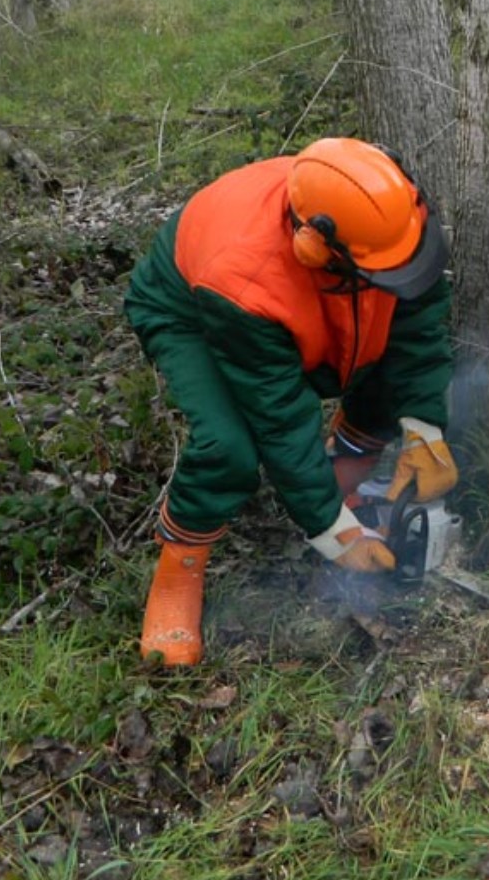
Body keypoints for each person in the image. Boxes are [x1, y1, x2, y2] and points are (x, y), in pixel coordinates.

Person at [124, 138, 457, 666]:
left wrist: (424, 428)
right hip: (193, 309)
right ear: (315, 247)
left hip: (313, 290)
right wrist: (332, 532)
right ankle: (179, 570)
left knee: (383, 380)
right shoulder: (243, 277)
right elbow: (279, 418)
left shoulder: (387, 220)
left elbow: (417, 325)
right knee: (228, 445)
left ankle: (341, 484)